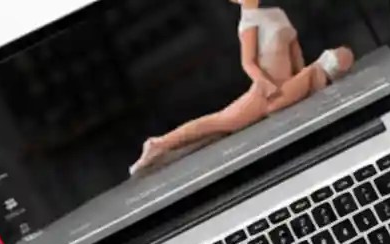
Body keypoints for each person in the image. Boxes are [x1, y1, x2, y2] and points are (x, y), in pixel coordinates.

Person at [129, 0, 356, 176]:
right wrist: (266, 84)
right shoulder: (248, 23)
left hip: (286, 85)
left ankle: (165, 146)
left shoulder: (276, 13)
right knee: (220, 122)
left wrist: (301, 75)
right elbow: (248, 63)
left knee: (221, 125)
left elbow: (294, 50)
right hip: (267, 92)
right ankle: (159, 143)